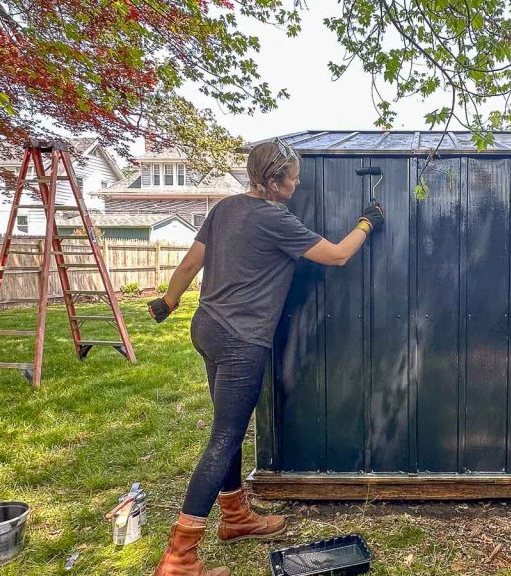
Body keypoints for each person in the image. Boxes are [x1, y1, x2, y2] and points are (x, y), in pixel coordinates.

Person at [147, 139, 384, 576]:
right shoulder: (276, 219)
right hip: (241, 339)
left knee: (228, 427)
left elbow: (189, 264)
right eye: (293, 177)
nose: (297, 183)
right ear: (274, 181)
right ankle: (179, 558)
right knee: (223, 438)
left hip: (207, 327)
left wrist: (168, 301)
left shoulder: (223, 209)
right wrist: (367, 223)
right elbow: (337, 255)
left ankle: (236, 517)